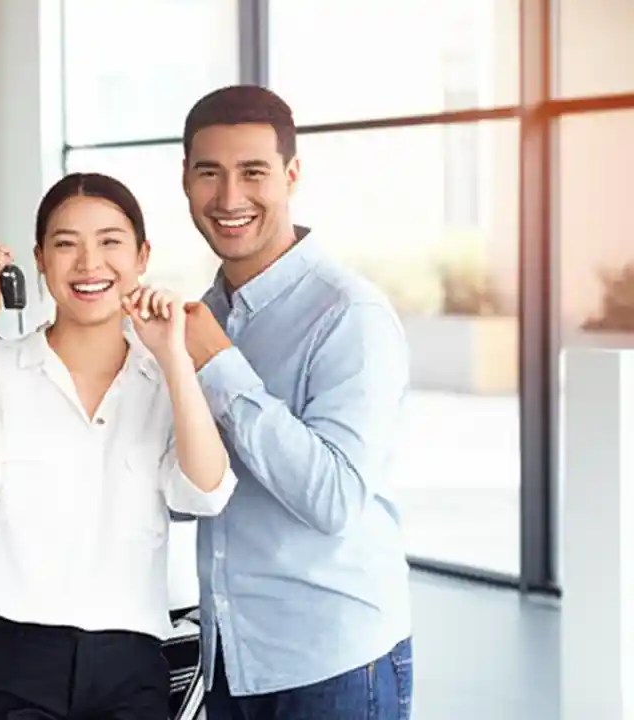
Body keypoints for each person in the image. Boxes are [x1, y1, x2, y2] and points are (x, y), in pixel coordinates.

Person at [0, 172, 237, 720]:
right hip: (7, 662)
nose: (89, 263)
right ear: (39, 261)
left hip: (131, 665)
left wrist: (173, 359)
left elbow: (207, 493)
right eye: (66, 244)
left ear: (143, 256)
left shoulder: (165, 377)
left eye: (110, 242)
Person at [177, 85, 414, 718]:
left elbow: (334, 498)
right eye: (210, 173)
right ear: (185, 181)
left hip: (334, 662)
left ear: (291, 175)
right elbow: (197, 491)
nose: (230, 199)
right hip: (234, 657)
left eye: (253, 172)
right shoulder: (210, 313)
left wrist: (220, 366)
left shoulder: (348, 314)